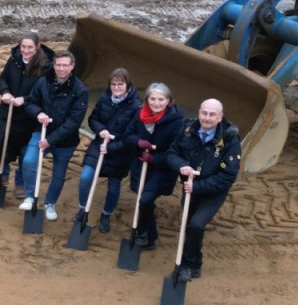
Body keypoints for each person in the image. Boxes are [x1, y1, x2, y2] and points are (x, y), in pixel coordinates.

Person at [157, 98, 241, 279]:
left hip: (212, 192)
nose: (207, 118)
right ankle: (192, 262)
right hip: (190, 187)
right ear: (199, 113)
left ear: (220, 117)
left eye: (212, 115)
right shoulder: (188, 130)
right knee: (188, 226)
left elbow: (228, 176)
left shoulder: (230, 139)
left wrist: (197, 186)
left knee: (196, 225)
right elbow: (172, 153)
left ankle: (190, 265)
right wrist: (181, 166)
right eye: (204, 113)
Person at [18, 50, 88, 221]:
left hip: (65, 141)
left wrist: (50, 141)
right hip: (41, 132)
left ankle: (50, 203)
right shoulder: (43, 82)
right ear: (54, 65)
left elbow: (74, 122)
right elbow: (30, 103)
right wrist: (38, 113)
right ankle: (30, 196)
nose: (61, 68)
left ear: (72, 66)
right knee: (28, 161)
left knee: (58, 174)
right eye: (58, 65)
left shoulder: (80, 90)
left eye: (65, 65)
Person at [0, 31, 55, 203]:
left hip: (30, 116)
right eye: (23, 46)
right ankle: (2, 176)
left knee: (24, 152)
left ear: (37, 47)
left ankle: (21, 183)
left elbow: (43, 93)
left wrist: (24, 100)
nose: (25, 50)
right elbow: (2, 79)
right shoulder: (14, 60)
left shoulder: (46, 67)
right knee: (4, 144)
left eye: (29, 47)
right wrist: (5, 92)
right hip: (8, 111)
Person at [122, 82, 187, 250]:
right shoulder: (139, 114)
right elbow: (127, 136)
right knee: (145, 202)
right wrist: (138, 142)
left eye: (161, 99)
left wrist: (154, 158)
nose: (156, 103)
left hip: (161, 170)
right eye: (152, 99)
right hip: (140, 166)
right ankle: (152, 238)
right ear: (147, 100)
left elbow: (176, 151)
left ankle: (143, 234)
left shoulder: (177, 123)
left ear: (168, 101)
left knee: (145, 201)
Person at [74, 68, 139, 232]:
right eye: (113, 84)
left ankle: (106, 214)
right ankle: (83, 208)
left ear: (127, 85)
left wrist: (111, 147)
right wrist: (101, 130)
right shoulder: (104, 98)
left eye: (120, 84)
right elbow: (93, 118)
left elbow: (131, 136)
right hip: (99, 145)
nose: (116, 87)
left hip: (120, 152)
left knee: (114, 187)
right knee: (85, 177)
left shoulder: (136, 106)